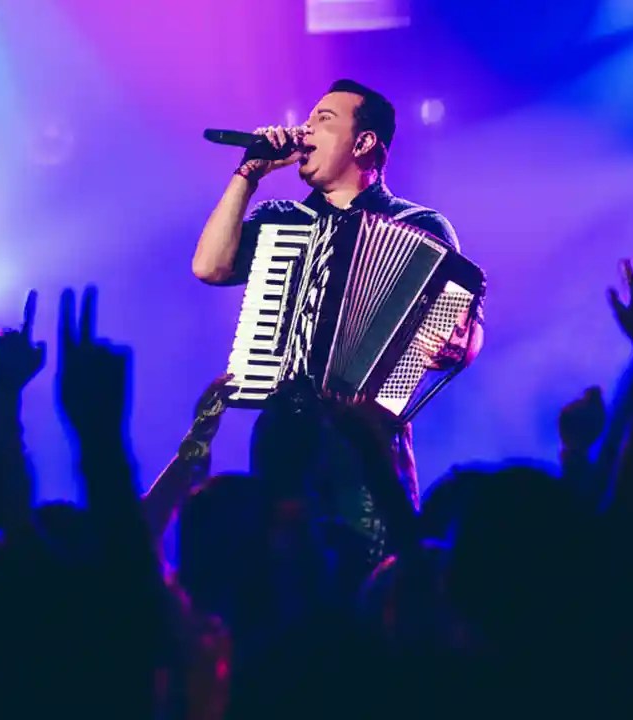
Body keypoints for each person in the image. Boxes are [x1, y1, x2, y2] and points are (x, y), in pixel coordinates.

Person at [192, 79, 483, 552]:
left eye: (323, 120)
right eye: (307, 120)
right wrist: (249, 172)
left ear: (364, 142)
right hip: (285, 428)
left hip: (368, 439)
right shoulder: (282, 219)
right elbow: (210, 266)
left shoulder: (420, 225)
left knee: (372, 563)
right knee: (284, 570)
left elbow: (465, 334)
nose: (304, 130)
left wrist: (451, 344)